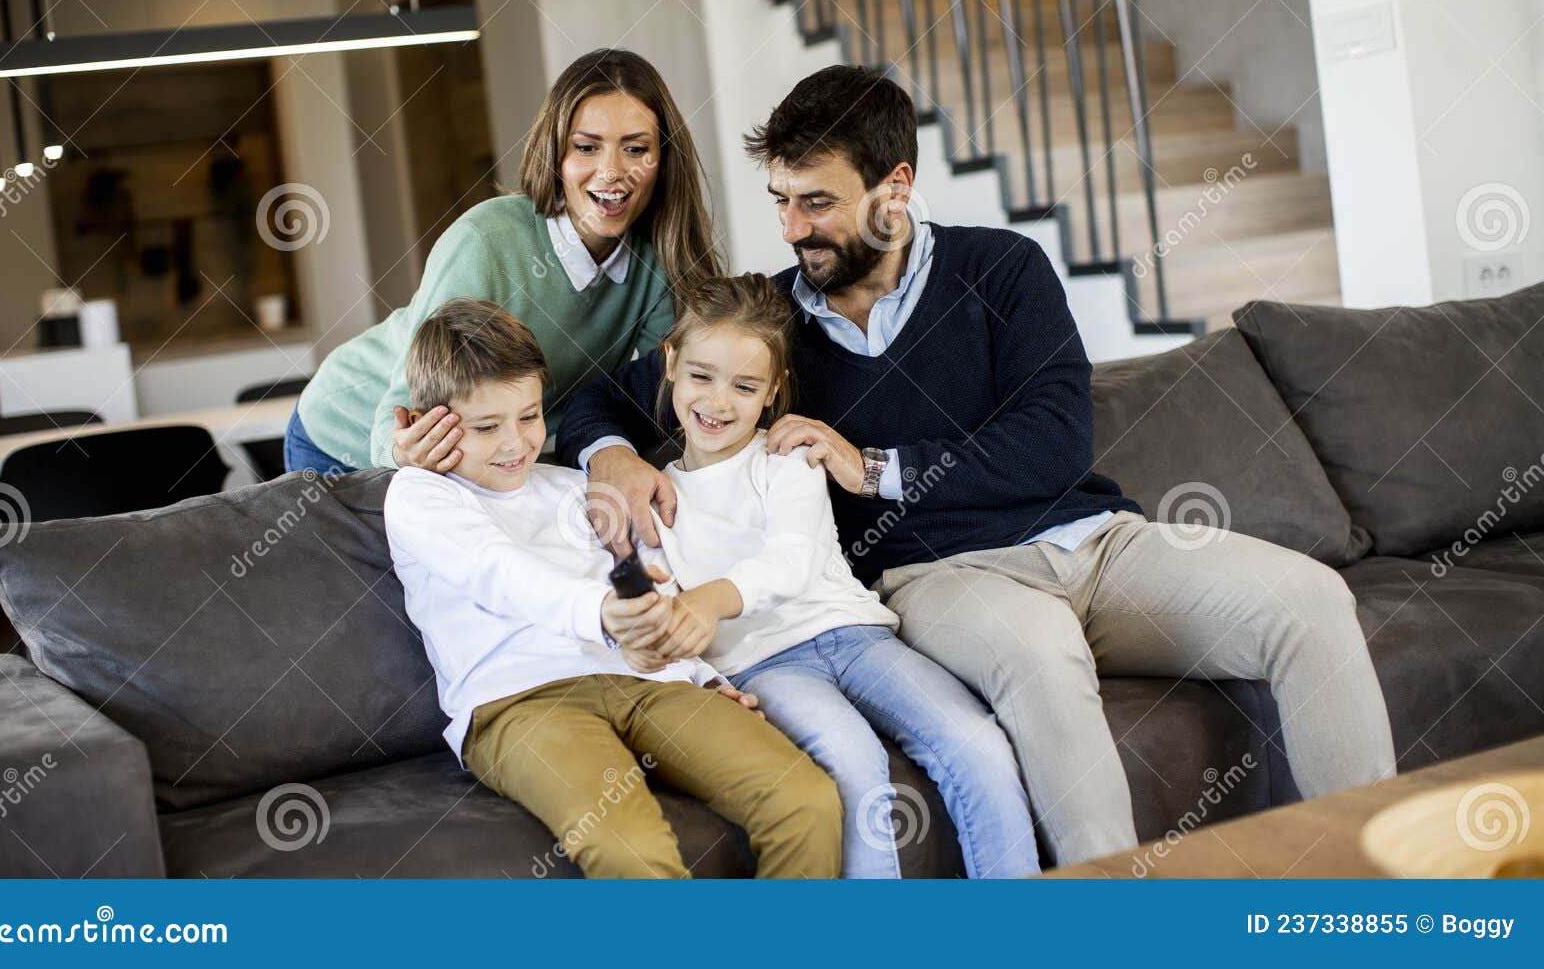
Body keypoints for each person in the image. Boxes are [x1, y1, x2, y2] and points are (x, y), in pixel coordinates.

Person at [556, 64, 1398, 868]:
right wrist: (615, 456)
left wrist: (872, 467)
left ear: (895, 188)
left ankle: (1382, 898)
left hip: (1096, 543)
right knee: (1041, 654)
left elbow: (1055, 442)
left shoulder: (1002, 269)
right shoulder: (769, 323)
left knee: (1312, 600)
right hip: (940, 575)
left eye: (818, 202)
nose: (792, 227)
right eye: (781, 200)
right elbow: (596, 402)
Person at [383, 298, 842, 879]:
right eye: (486, 427)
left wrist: (698, 672)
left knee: (805, 800)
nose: (515, 444)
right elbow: (499, 572)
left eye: (529, 416)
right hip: (521, 703)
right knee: (632, 846)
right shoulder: (420, 494)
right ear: (431, 421)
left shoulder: (574, 485)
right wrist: (602, 613)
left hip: (649, 682)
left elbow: (650, 580)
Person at [617, 273, 1037, 878]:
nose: (718, 402)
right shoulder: (655, 498)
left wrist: (709, 600)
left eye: (744, 386)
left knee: (978, 743)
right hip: (765, 665)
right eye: (701, 377)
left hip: (856, 637)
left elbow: (792, 560)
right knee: (853, 762)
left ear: (773, 391)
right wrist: (696, 671)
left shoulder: (787, 458)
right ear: (670, 364)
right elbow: (664, 611)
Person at [285, 47, 724, 476]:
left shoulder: (659, 258)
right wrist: (399, 451)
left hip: (484, 457)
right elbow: (404, 402)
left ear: (664, 160)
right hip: (346, 433)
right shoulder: (485, 242)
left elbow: (658, 392)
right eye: (587, 148)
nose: (611, 170)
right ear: (556, 156)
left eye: (635, 149)